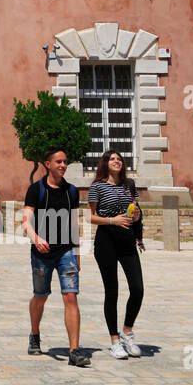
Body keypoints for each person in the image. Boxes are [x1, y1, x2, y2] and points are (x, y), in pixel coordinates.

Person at [23, 146, 89, 367]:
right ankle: (34, 334)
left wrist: (78, 252)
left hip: (66, 252)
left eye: (65, 161)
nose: (63, 165)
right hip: (41, 254)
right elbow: (25, 221)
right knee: (40, 296)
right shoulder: (36, 190)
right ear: (48, 164)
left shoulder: (71, 191)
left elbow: (73, 224)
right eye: (58, 161)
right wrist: (36, 237)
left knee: (70, 296)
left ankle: (74, 350)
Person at [87, 151, 145, 358]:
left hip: (127, 240)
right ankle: (114, 341)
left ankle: (127, 332)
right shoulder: (97, 186)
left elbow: (136, 210)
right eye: (112, 159)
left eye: (119, 159)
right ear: (105, 163)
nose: (117, 161)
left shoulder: (129, 185)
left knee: (137, 289)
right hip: (106, 242)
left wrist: (137, 222)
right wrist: (113, 221)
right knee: (112, 291)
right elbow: (91, 217)